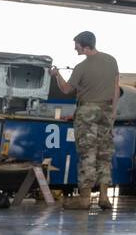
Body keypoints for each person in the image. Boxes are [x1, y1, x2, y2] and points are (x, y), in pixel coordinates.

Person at [51, 31, 120, 211]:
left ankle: (84, 199)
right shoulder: (111, 60)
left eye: (76, 45)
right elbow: (116, 87)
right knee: (104, 154)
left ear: (84, 45)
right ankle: (104, 197)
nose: (75, 48)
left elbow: (66, 89)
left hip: (87, 111)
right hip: (107, 111)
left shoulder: (81, 67)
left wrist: (57, 75)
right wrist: (113, 112)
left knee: (87, 153)